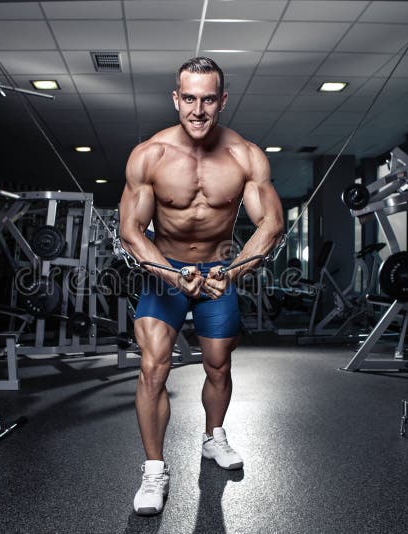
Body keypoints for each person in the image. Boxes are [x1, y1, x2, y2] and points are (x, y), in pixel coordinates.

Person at [119, 57, 284, 516]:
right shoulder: (150, 155)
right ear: (176, 99)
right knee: (153, 367)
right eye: (188, 98)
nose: (197, 109)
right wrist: (171, 275)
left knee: (218, 365)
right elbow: (131, 230)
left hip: (218, 272)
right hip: (165, 273)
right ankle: (154, 469)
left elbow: (270, 224)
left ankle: (214, 438)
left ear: (222, 100)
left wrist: (230, 274)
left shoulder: (244, 156)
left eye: (208, 99)